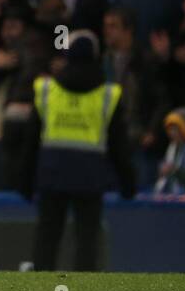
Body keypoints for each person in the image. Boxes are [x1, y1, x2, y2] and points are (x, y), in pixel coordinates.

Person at [22, 31, 136, 271]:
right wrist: (128, 182)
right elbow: (118, 145)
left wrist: (24, 179)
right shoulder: (107, 95)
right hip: (90, 174)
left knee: (47, 235)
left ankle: (40, 288)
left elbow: (30, 140)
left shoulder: (47, 91)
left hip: (52, 171)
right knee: (87, 238)